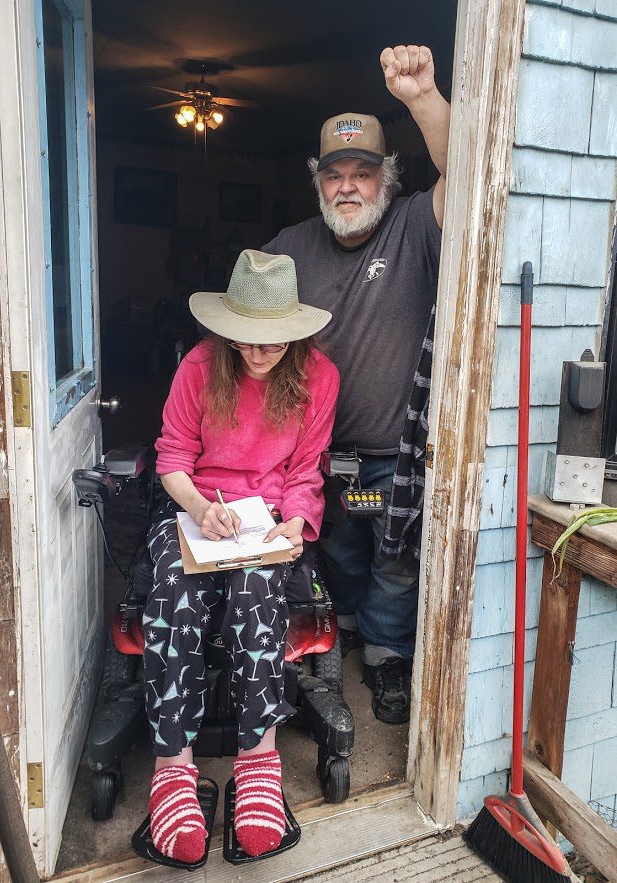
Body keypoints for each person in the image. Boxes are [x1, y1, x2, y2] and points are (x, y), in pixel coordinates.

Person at [262, 45, 450, 725]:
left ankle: (386, 656)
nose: (348, 187)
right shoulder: (288, 248)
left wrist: (422, 98)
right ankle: (338, 639)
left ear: (386, 181)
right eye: (334, 175)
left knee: (393, 562)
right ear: (318, 183)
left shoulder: (415, 225)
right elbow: (241, 328)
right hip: (314, 453)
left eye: (363, 174)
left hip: (395, 450)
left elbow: (470, 171)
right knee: (335, 552)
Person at [144, 248, 339, 863]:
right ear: (226, 329)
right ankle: (173, 766)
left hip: (267, 521)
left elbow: (306, 471)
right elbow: (172, 460)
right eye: (245, 340)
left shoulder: (320, 378)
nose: (257, 354)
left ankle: (258, 761)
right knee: (174, 591)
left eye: (272, 341)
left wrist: (295, 523)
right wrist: (202, 509)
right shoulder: (200, 368)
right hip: (196, 511)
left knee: (257, 593)